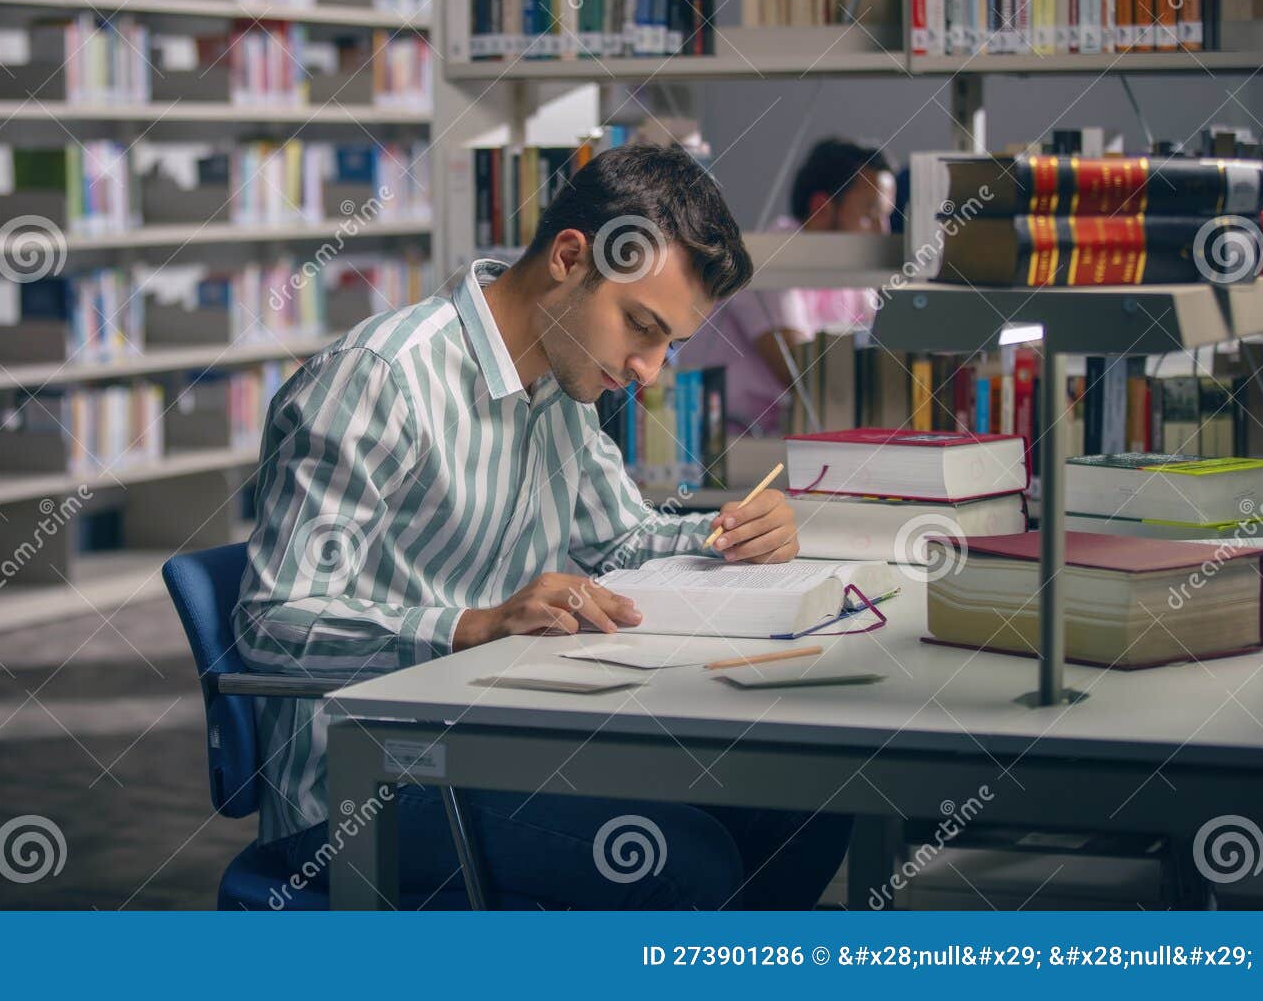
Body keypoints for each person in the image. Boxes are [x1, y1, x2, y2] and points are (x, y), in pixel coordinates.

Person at [236, 143, 852, 909]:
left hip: (512, 741)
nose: (648, 369)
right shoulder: (379, 381)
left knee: (811, 804)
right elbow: (270, 622)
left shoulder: (561, 385)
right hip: (372, 784)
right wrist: (472, 627)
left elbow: (621, 541)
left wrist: (734, 535)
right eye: (640, 326)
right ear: (569, 258)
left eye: (669, 344)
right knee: (683, 868)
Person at [678, 137, 896, 435]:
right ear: (822, 208)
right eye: (871, 216)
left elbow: (884, 349)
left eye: (886, 217)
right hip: (730, 446)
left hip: (793, 438)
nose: (883, 231)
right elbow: (806, 374)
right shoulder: (772, 260)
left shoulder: (846, 272)